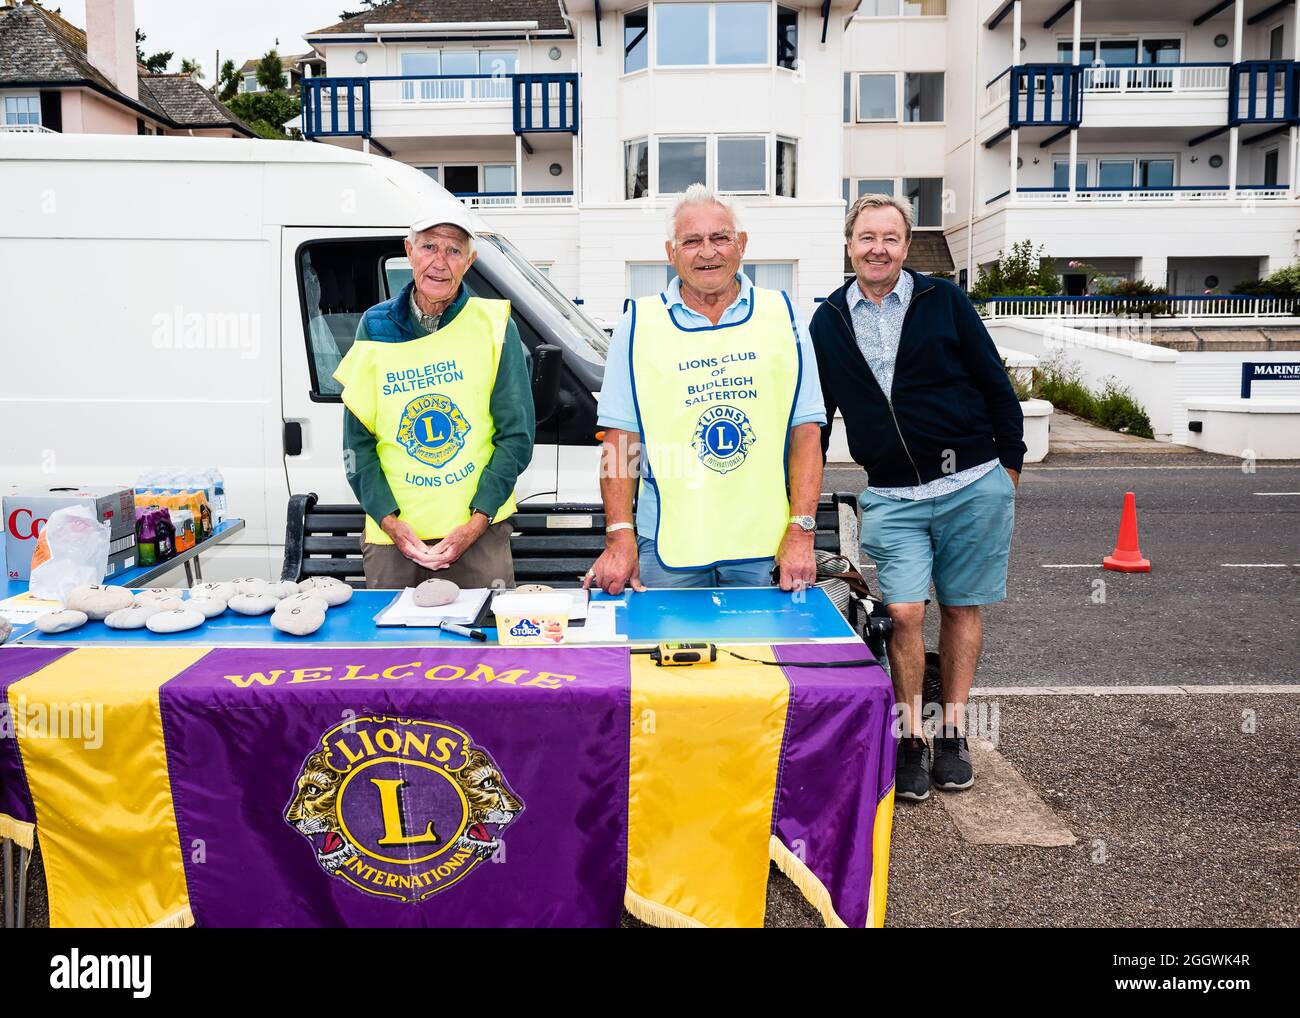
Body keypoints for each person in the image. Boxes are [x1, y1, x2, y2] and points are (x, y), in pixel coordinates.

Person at [810, 193, 1025, 802]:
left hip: (971, 485)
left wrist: (1009, 467)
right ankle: (910, 737)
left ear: (906, 246)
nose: (879, 249)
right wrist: (798, 497)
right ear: (849, 244)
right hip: (894, 495)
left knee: (960, 606)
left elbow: (994, 383)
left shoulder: (944, 301)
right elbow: (816, 417)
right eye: (867, 237)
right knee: (903, 612)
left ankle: (952, 731)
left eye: (891, 238)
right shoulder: (828, 319)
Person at [586, 184, 825, 594]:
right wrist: (619, 535)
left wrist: (801, 531)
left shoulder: (783, 315)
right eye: (692, 241)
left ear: (742, 244)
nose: (707, 251)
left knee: (760, 659)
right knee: (667, 657)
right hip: (667, 548)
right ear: (671, 252)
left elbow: (806, 434)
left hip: (763, 548)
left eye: (720, 237)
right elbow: (621, 440)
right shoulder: (639, 322)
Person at [333, 208, 534, 589]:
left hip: (478, 535)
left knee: (483, 647)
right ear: (409, 251)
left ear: (470, 260)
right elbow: (357, 443)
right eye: (429, 247)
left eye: (454, 251)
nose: (440, 263)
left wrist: (476, 523)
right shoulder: (374, 326)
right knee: (395, 647)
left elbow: (516, 436)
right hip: (393, 540)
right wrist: (390, 522)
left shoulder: (495, 326)